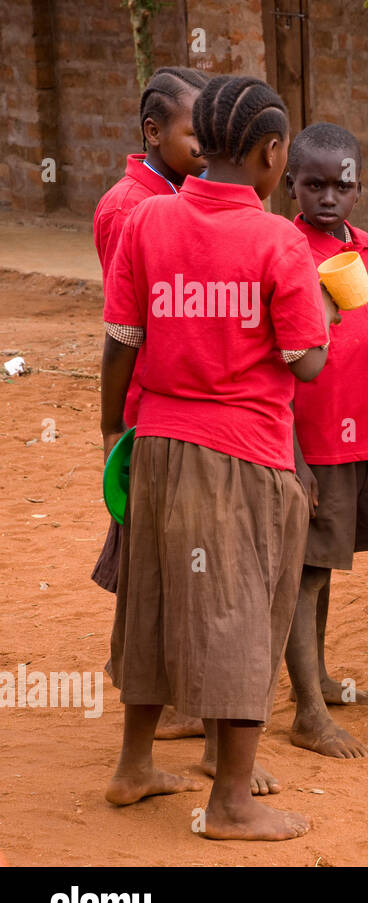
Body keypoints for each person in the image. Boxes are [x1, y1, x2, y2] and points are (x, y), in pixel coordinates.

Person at [101, 75, 334, 840]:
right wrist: (326, 312)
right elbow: (303, 362)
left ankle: (134, 766)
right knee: (240, 616)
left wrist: (113, 434)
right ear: (272, 154)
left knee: (154, 600)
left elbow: (121, 342)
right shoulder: (278, 240)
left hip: (158, 444)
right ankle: (231, 803)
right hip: (242, 454)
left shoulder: (149, 221)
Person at [91, 66, 209, 743]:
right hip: (147, 403)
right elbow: (128, 324)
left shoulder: (173, 193)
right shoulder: (127, 208)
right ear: (153, 132)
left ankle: (156, 681)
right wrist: (119, 425)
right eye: (196, 134)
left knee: (163, 548)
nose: (206, 147)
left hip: (167, 399)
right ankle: (154, 691)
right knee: (154, 550)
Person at [284, 122, 368, 758]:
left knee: (324, 568)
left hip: (362, 436)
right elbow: (278, 365)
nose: (328, 196)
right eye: (313, 184)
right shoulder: (284, 249)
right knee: (304, 573)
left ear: (358, 189)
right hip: (311, 440)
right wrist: (295, 458)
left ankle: (318, 678)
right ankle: (307, 712)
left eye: (342, 185)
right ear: (290, 183)